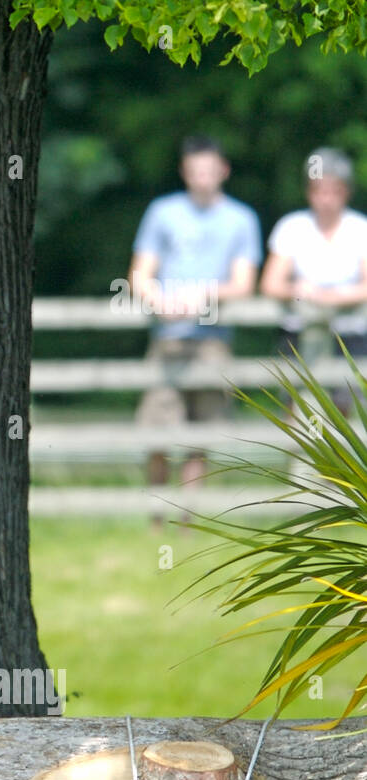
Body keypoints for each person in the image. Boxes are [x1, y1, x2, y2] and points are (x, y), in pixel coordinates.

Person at [128, 135, 262, 520]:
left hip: (213, 340)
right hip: (168, 338)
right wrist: (160, 302)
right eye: (195, 171)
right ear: (184, 172)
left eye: (209, 170)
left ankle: (188, 520)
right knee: (157, 431)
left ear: (223, 171)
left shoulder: (241, 218)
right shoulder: (162, 212)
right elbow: (140, 274)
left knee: (201, 437)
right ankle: (156, 520)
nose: (202, 178)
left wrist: (201, 297)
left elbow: (243, 284)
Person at [259, 147, 367, 412]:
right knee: (296, 408)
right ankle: (296, 456)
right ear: (309, 192)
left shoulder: (360, 227)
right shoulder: (292, 226)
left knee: (348, 410)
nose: (327, 199)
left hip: (349, 333)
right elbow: (270, 284)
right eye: (320, 190)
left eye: (334, 190)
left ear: (346, 192)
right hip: (298, 332)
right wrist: (298, 291)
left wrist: (330, 296)